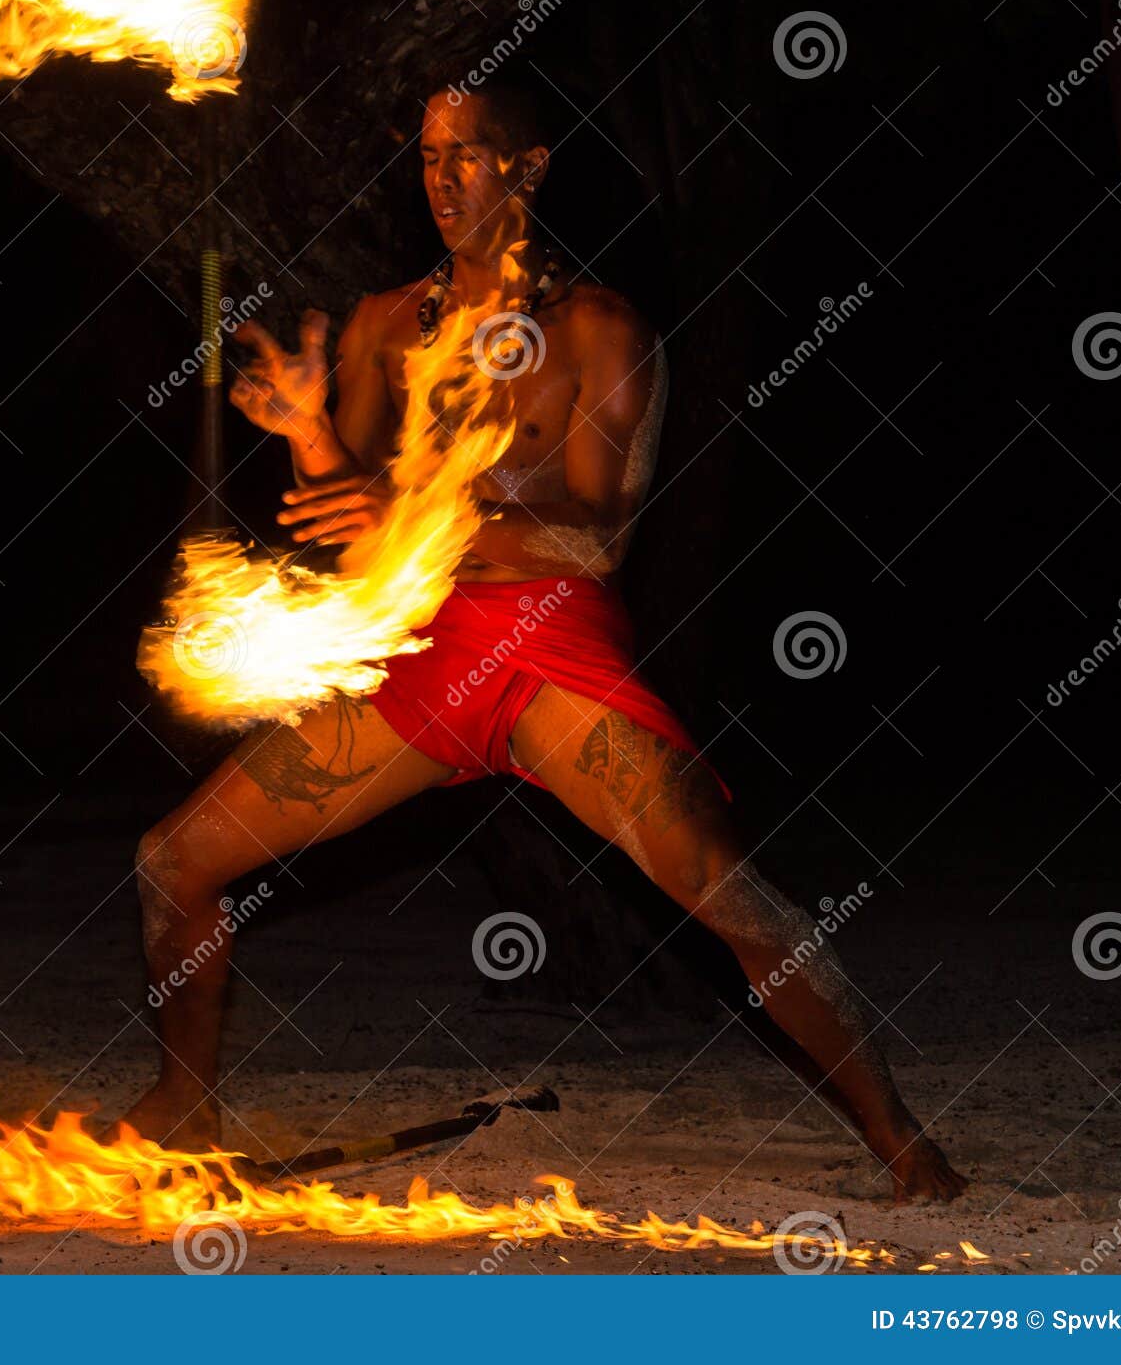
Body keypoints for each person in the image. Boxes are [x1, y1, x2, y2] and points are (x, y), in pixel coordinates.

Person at [122, 76, 965, 1202]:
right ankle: (184, 1099)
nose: (441, 178)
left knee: (724, 889)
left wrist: (432, 514)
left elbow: (597, 539)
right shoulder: (381, 323)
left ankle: (904, 1141)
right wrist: (311, 435)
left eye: (468, 153)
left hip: (548, 646)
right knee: (172, 861)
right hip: (421, 655)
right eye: (426, 156)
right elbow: (359, 537)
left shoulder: (599, 328)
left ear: (529, 167)